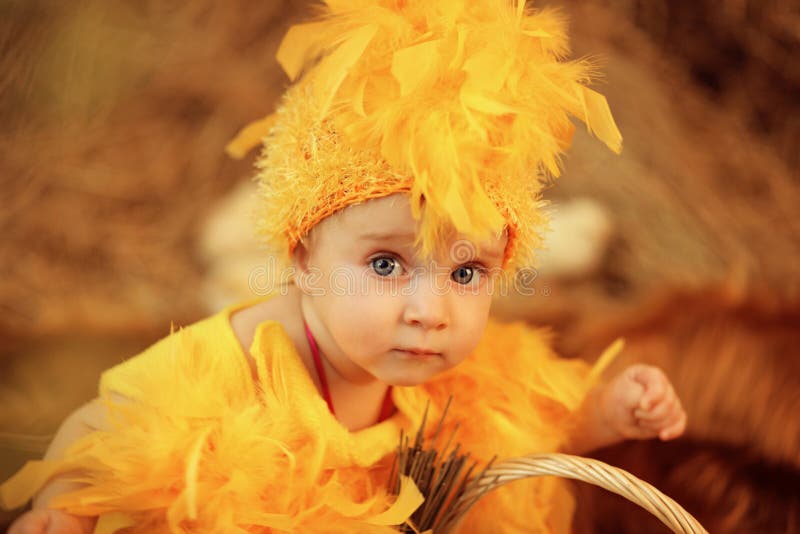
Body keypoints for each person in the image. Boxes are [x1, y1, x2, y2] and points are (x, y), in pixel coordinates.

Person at [2, 1, 686, 532]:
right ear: (302, 258)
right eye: (387, 262)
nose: (430, 309)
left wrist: (609, 412)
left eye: (467, 272)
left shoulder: (457, 377)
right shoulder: (230, 362)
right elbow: (103, 432)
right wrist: (68, 509)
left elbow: (530, 424)